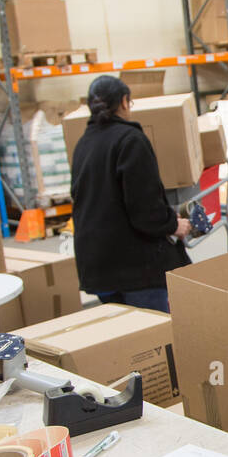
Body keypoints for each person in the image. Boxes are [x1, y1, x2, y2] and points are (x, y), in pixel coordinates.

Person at [69, 75, 191, 312]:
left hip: (96, 266)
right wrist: (172, 225)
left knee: (125, 341)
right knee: (155, 338)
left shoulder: (84, 143)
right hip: (134, 270)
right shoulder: (130, 140)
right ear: (124, 102)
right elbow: (145, 208)